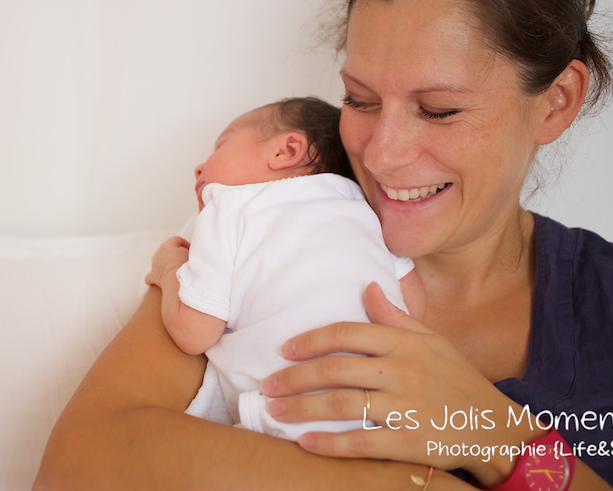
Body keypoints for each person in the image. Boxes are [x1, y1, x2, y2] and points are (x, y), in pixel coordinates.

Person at [34, 0, 613, 491]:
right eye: (361, 99)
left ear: (556, 102)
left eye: (438, 108)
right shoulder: (270, 224)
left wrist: (495, 433)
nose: (381, 151)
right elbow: (78, 463)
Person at [146, 97, 424, 440]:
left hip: (287, 416)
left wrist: (168, 269)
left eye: (221, 145)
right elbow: (414, 304)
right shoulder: (362, 209)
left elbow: (195, 332)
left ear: (287, 150)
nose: (199, 167)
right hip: (387, 411)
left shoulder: (229, 207)